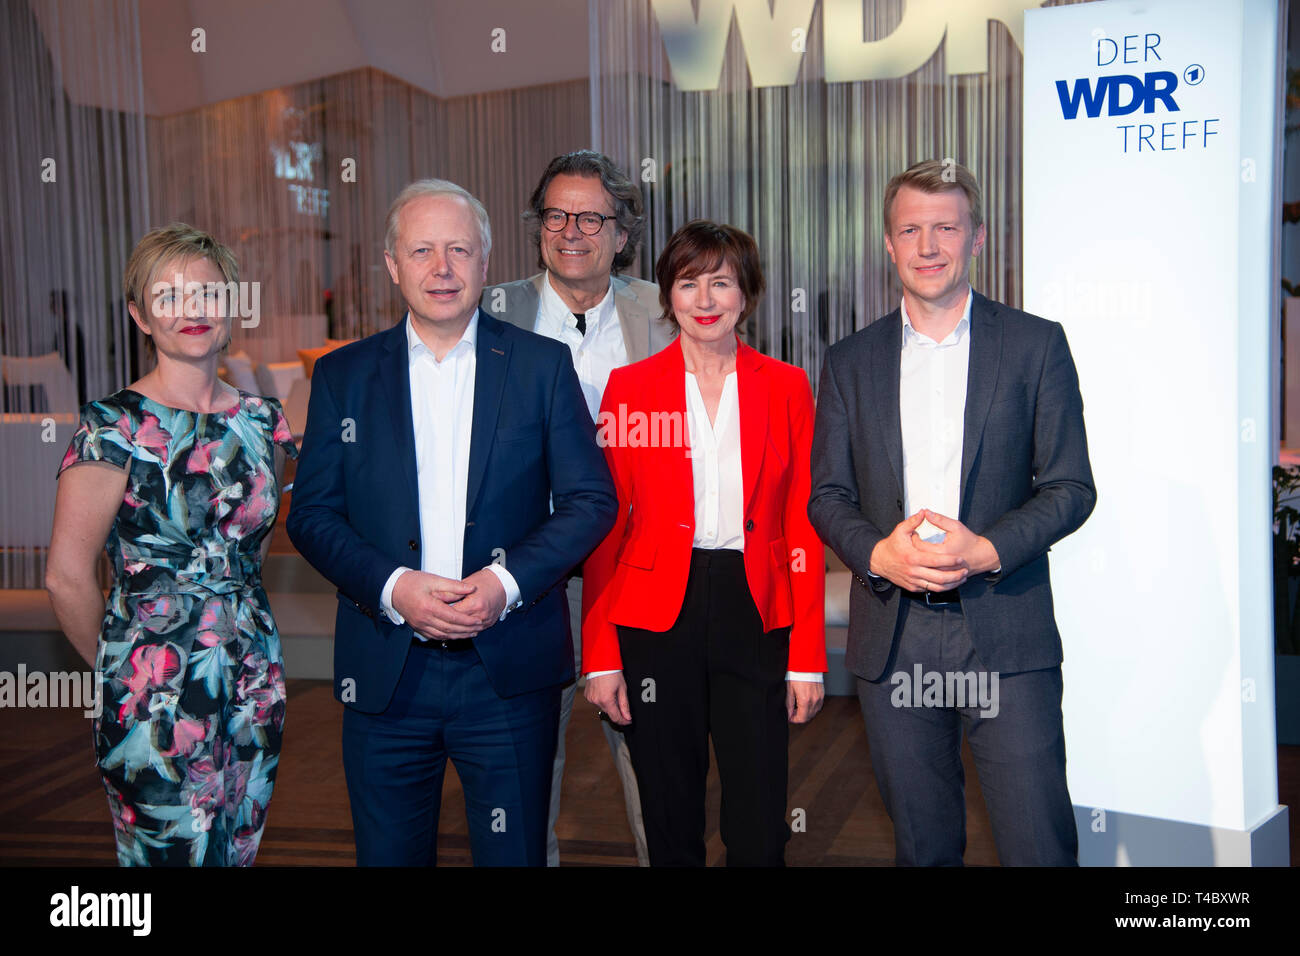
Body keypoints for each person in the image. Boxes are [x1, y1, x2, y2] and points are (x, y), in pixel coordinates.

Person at [286, 179, 617, 867]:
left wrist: (503, 583)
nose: (442, 268)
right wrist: (393, 586)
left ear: (486, 262)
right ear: (391, 264)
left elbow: (592, 501)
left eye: (459, 249)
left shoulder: (541, 367)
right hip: (386, 673)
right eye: (423, 250)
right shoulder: (343, 377)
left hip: (507, 673)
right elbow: (313, 514)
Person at [807, 159, 1096, 865]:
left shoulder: (1035, 345)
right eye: (911, 229)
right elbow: (829, 495)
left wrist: (986, 549)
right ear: (889, 244)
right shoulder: (848, 361)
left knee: (1038, 844)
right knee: (924, 846)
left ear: (978, 239)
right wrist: (878, 555)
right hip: (894, 634)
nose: (928, 245)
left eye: (946, 227)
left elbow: (1070, 487)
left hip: (1006, 630)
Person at [46, 223, 297, 866]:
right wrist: (119, 670)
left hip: (253, 680)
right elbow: (66, 578)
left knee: (237, 850)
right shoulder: (114, 426)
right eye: (169, 296)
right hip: (150, 692)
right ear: (140, 316)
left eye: (210, 295)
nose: (192, 311)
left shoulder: (265, 420)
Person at [583, 220, 826, 867]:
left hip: (756, 608)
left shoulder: (788, 386)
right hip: (658, 616)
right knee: (667, 808)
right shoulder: (630, 390)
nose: (706, 298)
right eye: (689, 282)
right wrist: (601, 654)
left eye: (721, 281)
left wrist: (807, 658)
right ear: (669, 294)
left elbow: (802, 527)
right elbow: (607, 533)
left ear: (747, 292)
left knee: (758, 812)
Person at [482, 149, 672, 867]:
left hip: (639, 573)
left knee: (656, 776)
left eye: (591, 217)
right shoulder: (489, 311)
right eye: (556, 215)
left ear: (622, 233)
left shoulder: (666, 309)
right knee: (525, 777)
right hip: (527, 579)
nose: (570, 231)